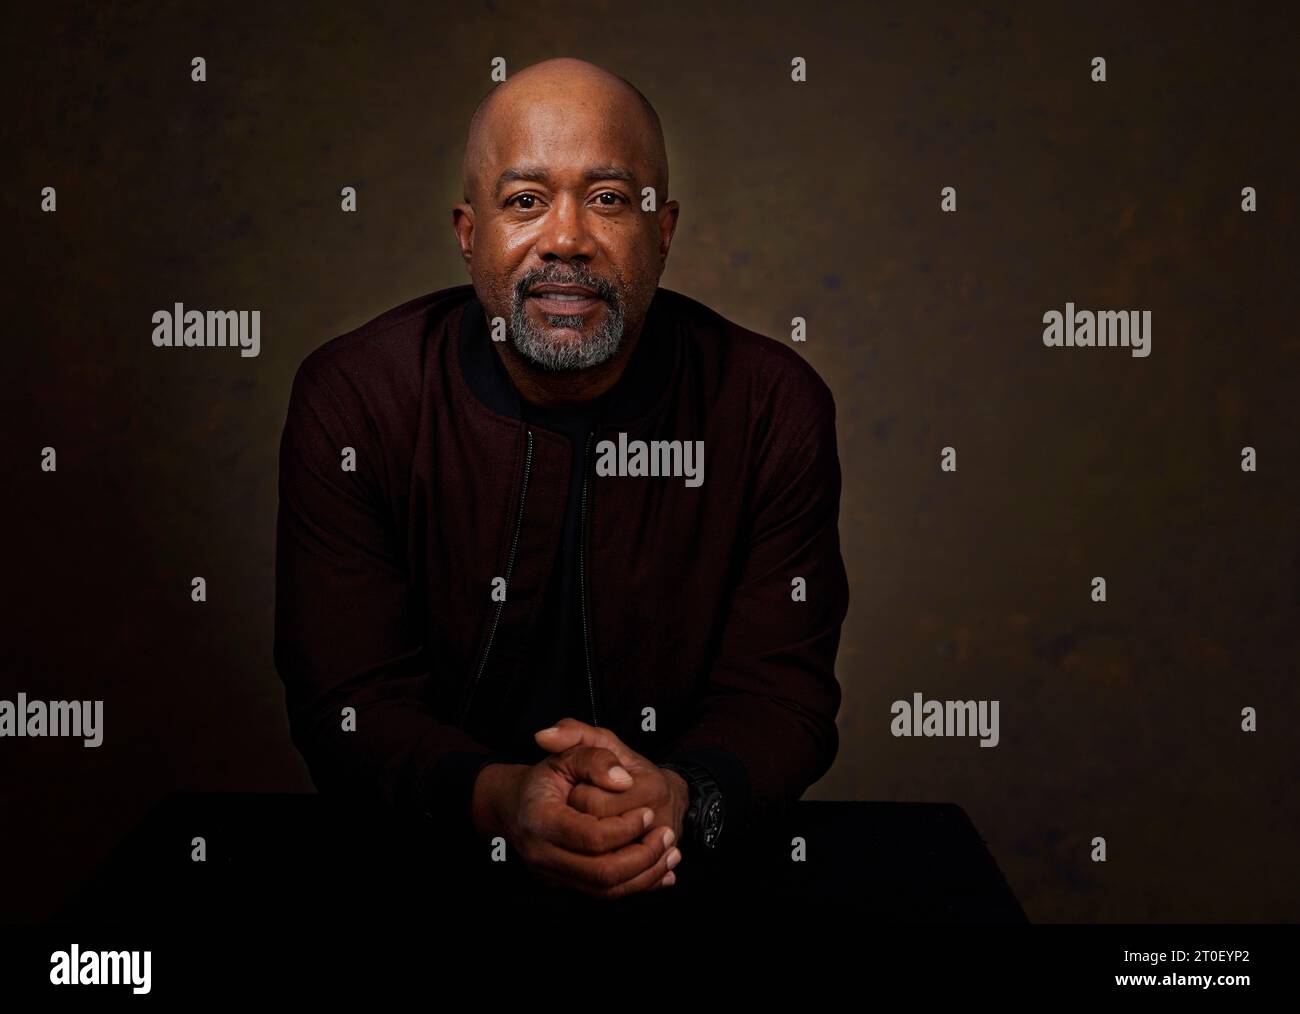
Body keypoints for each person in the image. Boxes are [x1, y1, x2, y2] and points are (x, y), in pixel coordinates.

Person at [273, 57, 849, 901]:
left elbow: (783, 697)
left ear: (665, 228)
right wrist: (500, 800)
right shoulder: (358, 400)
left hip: (690, 878)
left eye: (610, 198)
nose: (568, 238)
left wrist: (679, 798)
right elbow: (348, 699)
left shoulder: (769, 408)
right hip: (415, 873)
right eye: (525, 200)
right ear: (470, 234)